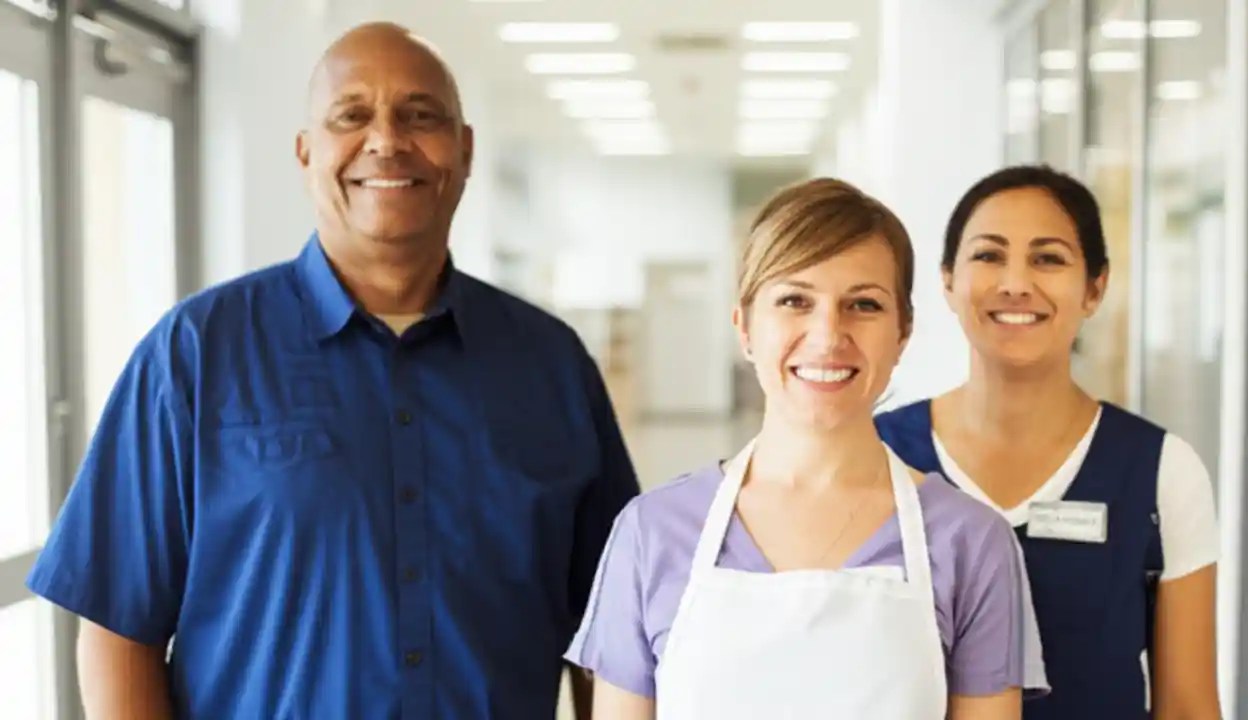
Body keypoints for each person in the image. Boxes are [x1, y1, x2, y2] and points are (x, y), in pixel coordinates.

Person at [26, 22, 638, 719]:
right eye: (351, 116)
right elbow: (116, 631)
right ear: (305, 151)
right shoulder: (196, 354)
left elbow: (611, 638)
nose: (387, 141)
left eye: (421, 116)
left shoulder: (552, 365)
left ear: (464, 149)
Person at [565, 178, 1048, 719]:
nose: (827, 335)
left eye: (863, 304)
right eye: (794, 300)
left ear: (902, 334)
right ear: (745, 326)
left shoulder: (971, 542)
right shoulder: (651, 533)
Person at [876, 165, 1222, 719]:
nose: (1016, 283)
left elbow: (1186, 706)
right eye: (989, 255)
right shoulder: (877, 456)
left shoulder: (1162, 471)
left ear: (1095, 288)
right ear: (948, 281)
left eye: (1048, 258)